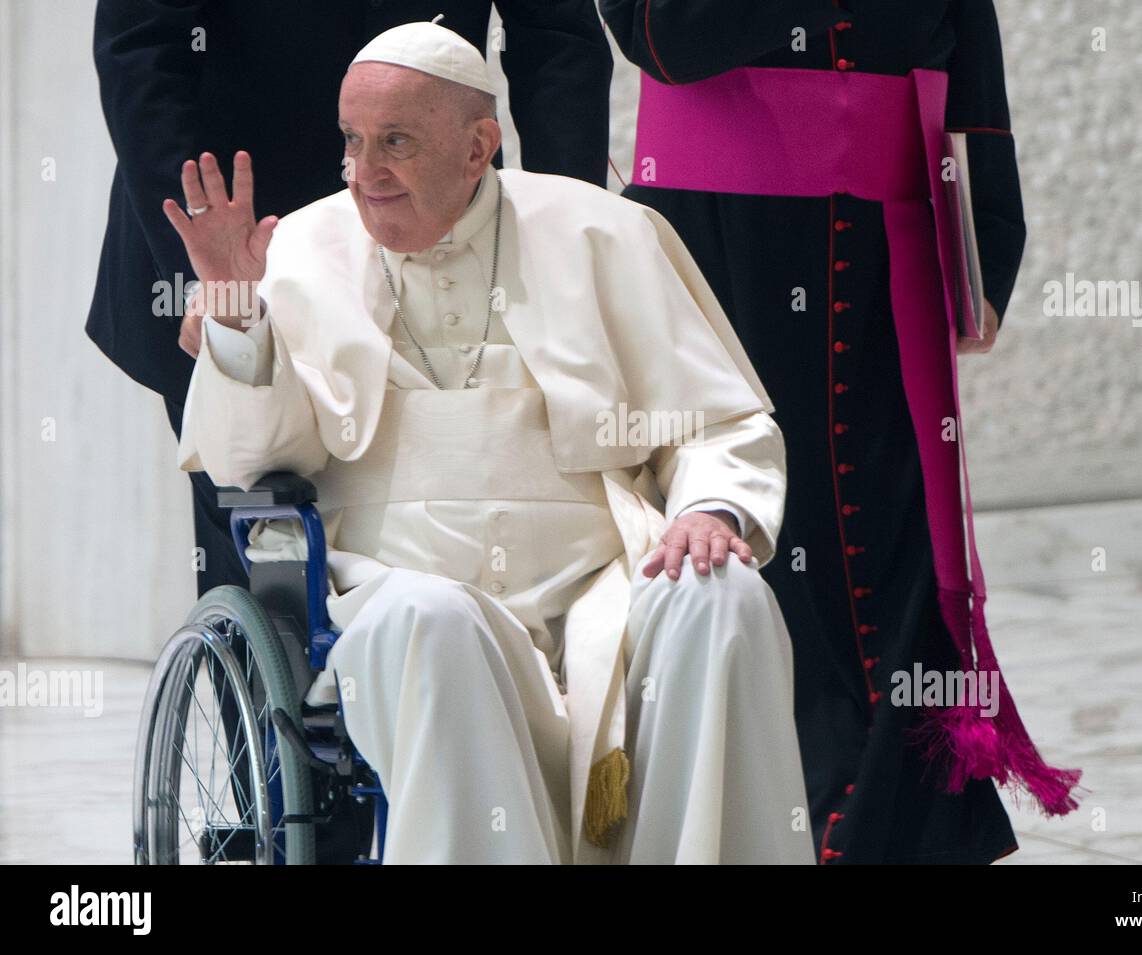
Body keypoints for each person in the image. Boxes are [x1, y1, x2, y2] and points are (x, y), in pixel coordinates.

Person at [168, 20, 813, 864]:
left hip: (605, 588)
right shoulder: (296, 251)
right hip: (399, 583)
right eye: (352, 143)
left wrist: (712, 506)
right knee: (431, 621)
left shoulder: (601, 231)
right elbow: (250, 463)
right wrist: (236, 316)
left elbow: (717, 421)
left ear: (480, 148)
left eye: (395, 141)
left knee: (720, 596)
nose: (365, 173)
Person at [601, 0, 1083, 863]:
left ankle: (900, 828)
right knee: (773, 535)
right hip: (717, 244)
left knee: (897, 532)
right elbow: (662, 39)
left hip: (883, 239)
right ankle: (798, 818)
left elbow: (965, 49)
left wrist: (987, 239)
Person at [87, 0, 612, 599]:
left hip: (443, 233)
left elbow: (556, 40)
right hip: (240, 233)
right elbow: (141, 51)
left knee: (466, 518)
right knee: (260, 518)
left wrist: (564, 234)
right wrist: (210, 276)